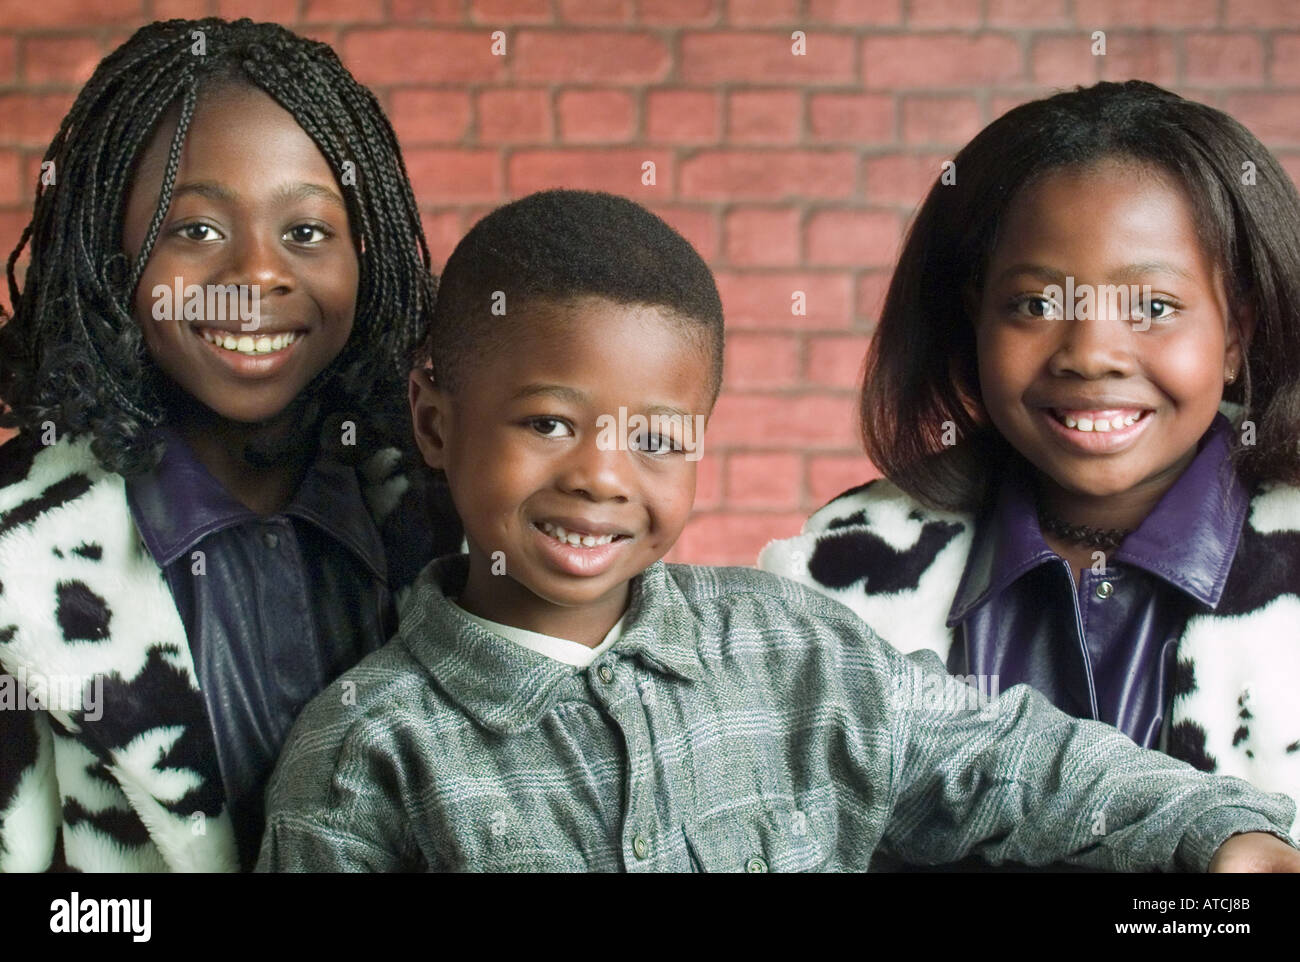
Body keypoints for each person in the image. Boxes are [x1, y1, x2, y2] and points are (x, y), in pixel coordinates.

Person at [257, 189, 1297, 872]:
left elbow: (1010, 760)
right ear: (436, 421)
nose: (602, 476)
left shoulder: (787, 644)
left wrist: (1223, 834)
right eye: (548, 423)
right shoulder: (362, 750)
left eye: (659, 435)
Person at [759, 80, 1300, 840]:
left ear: (1236, 334)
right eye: (1037, 305)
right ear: (974, 317)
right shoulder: (834, 582)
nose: (1089, 355)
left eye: (1153, 307)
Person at [0, 18, 461, 872]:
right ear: (110, 253)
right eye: (197, 230)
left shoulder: (452, 516)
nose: (257, 274)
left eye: (308, 233)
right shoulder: (16, 554)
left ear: (371, 255)